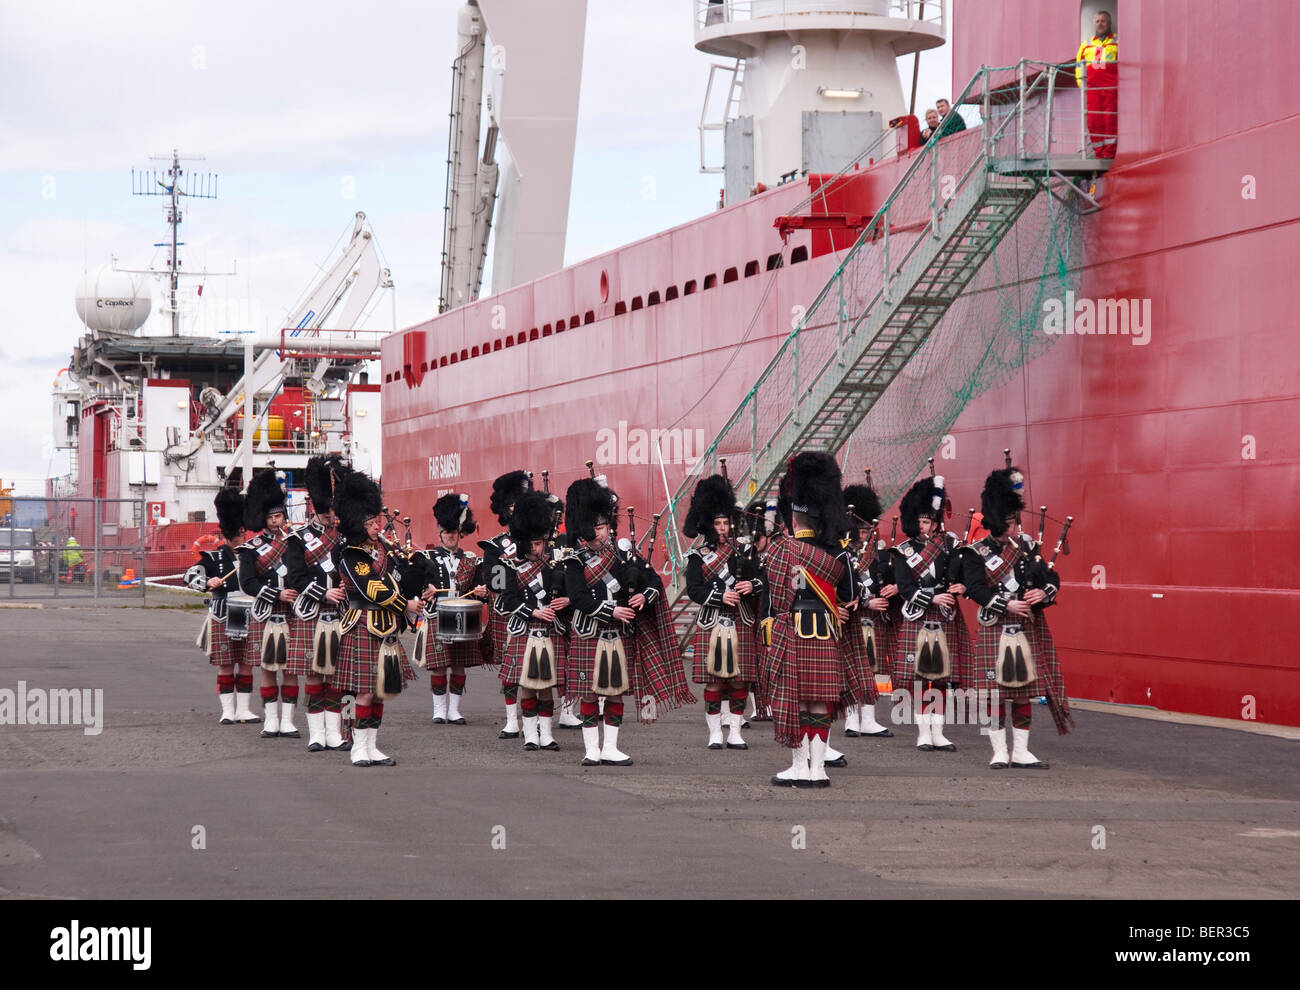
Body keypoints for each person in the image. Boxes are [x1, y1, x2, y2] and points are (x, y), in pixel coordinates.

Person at [963, 467, 1074, 768]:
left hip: (1025, 628)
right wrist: (1005, 605)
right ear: (999, 521)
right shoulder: (975, 552)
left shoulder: (1028, 548)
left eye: (1016, 521)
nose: (1015, 527)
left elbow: (1051, 577)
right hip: (996, 625)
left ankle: (1021, 751)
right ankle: (999, 751)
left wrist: (1045, 594)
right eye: (1010, 522)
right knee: (994, 694)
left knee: (1023, 691)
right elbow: (973, 588)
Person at [760, 453, 855, 788]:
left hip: (794, 630)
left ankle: (800, 768)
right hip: (827, 632)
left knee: (797, 703)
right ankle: (819, 770)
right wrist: (841, 608)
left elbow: (771, 600)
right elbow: (849, 594)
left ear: (794, 518)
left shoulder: (779, 551)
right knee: (820, 702)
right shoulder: (836, 553)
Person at [330, 468, 426, 767]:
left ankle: (372, 746)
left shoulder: (382, 548)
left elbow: (397, 577)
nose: (376, 527)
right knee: (364, 692)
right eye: (370, 523)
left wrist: (420, 578)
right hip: (363, 623)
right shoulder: (352, 554)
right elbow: (374, 590)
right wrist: (406, 605)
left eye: (377, 522)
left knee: (380, 691)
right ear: (358, 524)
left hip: (386, 627)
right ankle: (358, 747)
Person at [683, 474, 765, 751]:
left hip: (740, 619)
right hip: (712, 623)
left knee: (740, 679)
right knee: (715, 682)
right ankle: (715, 733)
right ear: (709, 524)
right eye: (717, 523)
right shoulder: (697, 556)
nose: (722, 528)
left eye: (725, 522)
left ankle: (735, 732)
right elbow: (693, 589)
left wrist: (750, 584)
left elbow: (763, 580)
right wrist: (720, 596)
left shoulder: (745, 551)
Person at [894, 474, 973, 753]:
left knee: (939, 677)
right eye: (919, 521)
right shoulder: (902, 551)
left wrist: (961, 582)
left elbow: (962, 575)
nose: (921, 526)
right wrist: (932, 596)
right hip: (918, 615)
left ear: (935, 522)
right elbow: (905, 587)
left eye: (926, 521)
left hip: (944, 616)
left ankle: (938, 732)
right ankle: (922, 732)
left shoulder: (950, 546)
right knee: (919, 678)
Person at [283, 455, 350, 753]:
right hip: (313, 612)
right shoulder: (299, 539)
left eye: (331, 512)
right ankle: (315, 733)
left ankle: (334, 732)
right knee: (313, 674)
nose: (329, 518)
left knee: (335, 674)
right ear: (316, 508)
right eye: (325, 513)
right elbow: (295, 575)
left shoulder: (346, 539)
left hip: (340, 615)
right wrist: (323, 592)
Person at [495, 491, 570, 751]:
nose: (537, 548)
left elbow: (569, 594)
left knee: (547, 685)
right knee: (527, 685)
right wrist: (533, 612)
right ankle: (529, 734)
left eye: (540, 543)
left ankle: (547, 734)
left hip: (551, 631)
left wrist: (566, 602)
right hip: (526, 629)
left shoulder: (555, 567)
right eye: (533, 543)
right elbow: (507, 601)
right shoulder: (511, 567)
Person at [237, 470, 300, 739]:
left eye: (279, 517)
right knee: (268, 668)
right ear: (264, 519)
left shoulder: (296, 543)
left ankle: (288, 721)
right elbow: (248, 582)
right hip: (266, 612)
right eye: (271, 518)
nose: (276, 522)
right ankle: (270, 720)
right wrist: (275, 594)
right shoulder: (252, 548)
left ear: (285, 517)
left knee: (291, 668)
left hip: (294, 613)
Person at [193, 486, 261, 724]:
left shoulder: (253, 555)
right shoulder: (213, 558)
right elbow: (190, 576)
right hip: (223, 613)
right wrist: (206, 581)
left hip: (248, 612)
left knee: (246, 664)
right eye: (235, 536)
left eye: (242, 534)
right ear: (225, 536)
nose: (239, 539)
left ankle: (244, 710)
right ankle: (227, 711)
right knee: (225, 664)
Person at [424, 493, 488, 725]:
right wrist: (426, 588)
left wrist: (482, 591)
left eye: (453, 533)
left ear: (459, 533)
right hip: (437, 615)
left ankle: (455, 711)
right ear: (440, 534)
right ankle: (439, 710)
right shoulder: (427, 558)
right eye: (446, 533)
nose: (450, 537)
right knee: (439, 666)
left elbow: (482, 586)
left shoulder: (471, 560)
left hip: (462, 616)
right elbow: (415, 585)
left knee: (459, 666)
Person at [840, 479, 895, 739]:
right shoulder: (843, 554)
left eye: (866, 528)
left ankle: (869, 719)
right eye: (859, 529)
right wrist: (866, 601)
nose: (864, 533)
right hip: (854, 617)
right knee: (851, 670)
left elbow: (894, 579)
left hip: (875, 619)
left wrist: (893, 589)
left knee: (873, 670)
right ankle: (851, 718)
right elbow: (841, 587)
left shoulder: (878, 553)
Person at [481, 470, 534, 738]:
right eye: (513, 506)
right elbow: (494, 579)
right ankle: (512, 720)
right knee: (512, 671)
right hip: (510, 614)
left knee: (549, 666)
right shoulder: (496, 546)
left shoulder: (542, 542)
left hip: (541, 613)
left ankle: (564, 714)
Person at [1075, 10, 1118, 160]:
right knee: (1093, 121)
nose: (1100, 24)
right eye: (1097, 21)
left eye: (1103, 21)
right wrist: (1083, 87)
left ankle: (1109, 152)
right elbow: (1078, 68)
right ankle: (1099, 152)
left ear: (1109, 23)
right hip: (1092, 89)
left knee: (1109, 119)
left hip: (1111, 89)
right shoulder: (1086, 45)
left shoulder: (1117, 42)